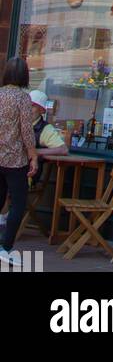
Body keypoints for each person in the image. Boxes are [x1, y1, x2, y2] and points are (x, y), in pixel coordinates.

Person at [0, 57, 39, 259]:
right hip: (15, 160)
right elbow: (26, 131)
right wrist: (33, 157)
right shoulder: (23, 98)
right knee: (18, 203)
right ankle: (5, 247)